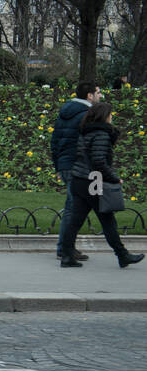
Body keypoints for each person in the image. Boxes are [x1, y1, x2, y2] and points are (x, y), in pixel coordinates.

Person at [58, 102, 143, 268]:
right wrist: (114, 178)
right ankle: (122, 255)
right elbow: (98, 161)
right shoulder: (102, 134)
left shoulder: (86, 131)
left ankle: (67, 256)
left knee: (75, 221)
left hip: (79, 180)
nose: (112, 117)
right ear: (104, 116)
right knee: (107, 220)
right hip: (93, 181)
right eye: (111, 114)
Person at [50, 82, 100, 263]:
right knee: (74, 209)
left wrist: (58, 166)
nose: (100, 96)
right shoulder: (88, 114)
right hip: (78, 166)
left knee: (74, 207)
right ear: (89, 96)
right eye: (98, 92)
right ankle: (64, 249)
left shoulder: (65, 113)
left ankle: (67, 247)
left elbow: (55, 141)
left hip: (65, 164)